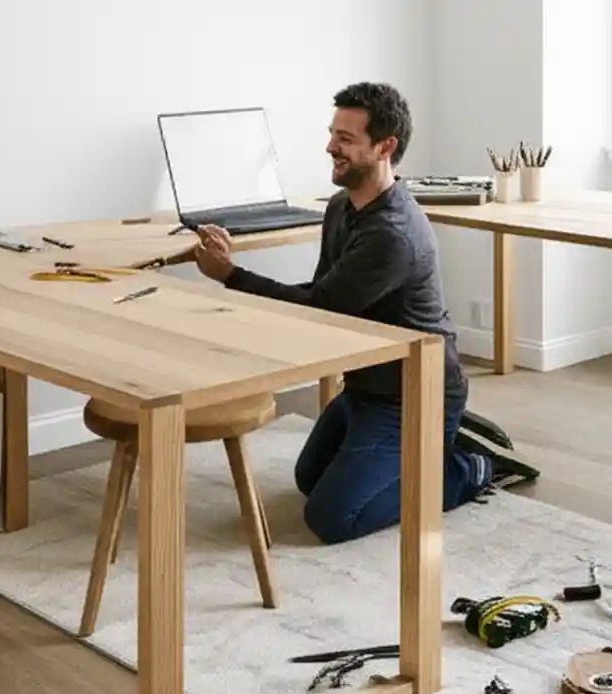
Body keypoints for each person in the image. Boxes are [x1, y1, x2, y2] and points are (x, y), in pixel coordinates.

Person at [192, 81, 529, 544]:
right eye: (333, 134)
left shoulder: (392, 234)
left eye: (346, 139)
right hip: (367, 387)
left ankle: (467, 466)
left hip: (415, 393)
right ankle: (428, 450)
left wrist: (229, 274)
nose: (331, 146)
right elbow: (323, 293)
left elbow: (318, 309)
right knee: (309, 480)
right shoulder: (341, 207)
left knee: (333, 518)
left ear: (385, 146)